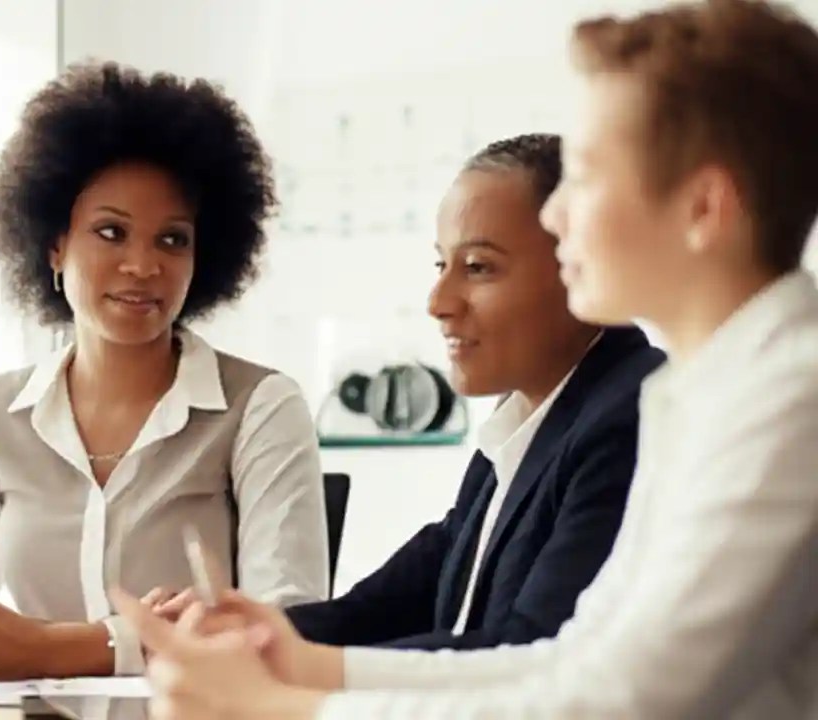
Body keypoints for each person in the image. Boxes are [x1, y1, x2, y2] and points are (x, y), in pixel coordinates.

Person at [115, 0, 818, 717]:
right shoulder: (708, 396)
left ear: (703, 208)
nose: (556, 216)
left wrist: (283, 707)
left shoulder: (792, 402)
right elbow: (572, 659)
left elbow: (617, 700)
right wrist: (301, 661)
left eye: (587, 176)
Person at [0, 61, 329, 682]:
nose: (143, 265)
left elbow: (284, 629)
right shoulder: (1, 412)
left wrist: (60, 647)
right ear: (55, 244)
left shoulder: (261, 407)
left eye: (172, 240)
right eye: (111, 232)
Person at [151, 133, 664, 652]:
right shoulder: (525, 423)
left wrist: (295, 664)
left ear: (580, 267)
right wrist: (258, 632)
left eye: (478, 267)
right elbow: (407, 592)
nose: (438, 301)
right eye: (442, 265)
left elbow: (530, 652)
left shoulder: (631, 419)